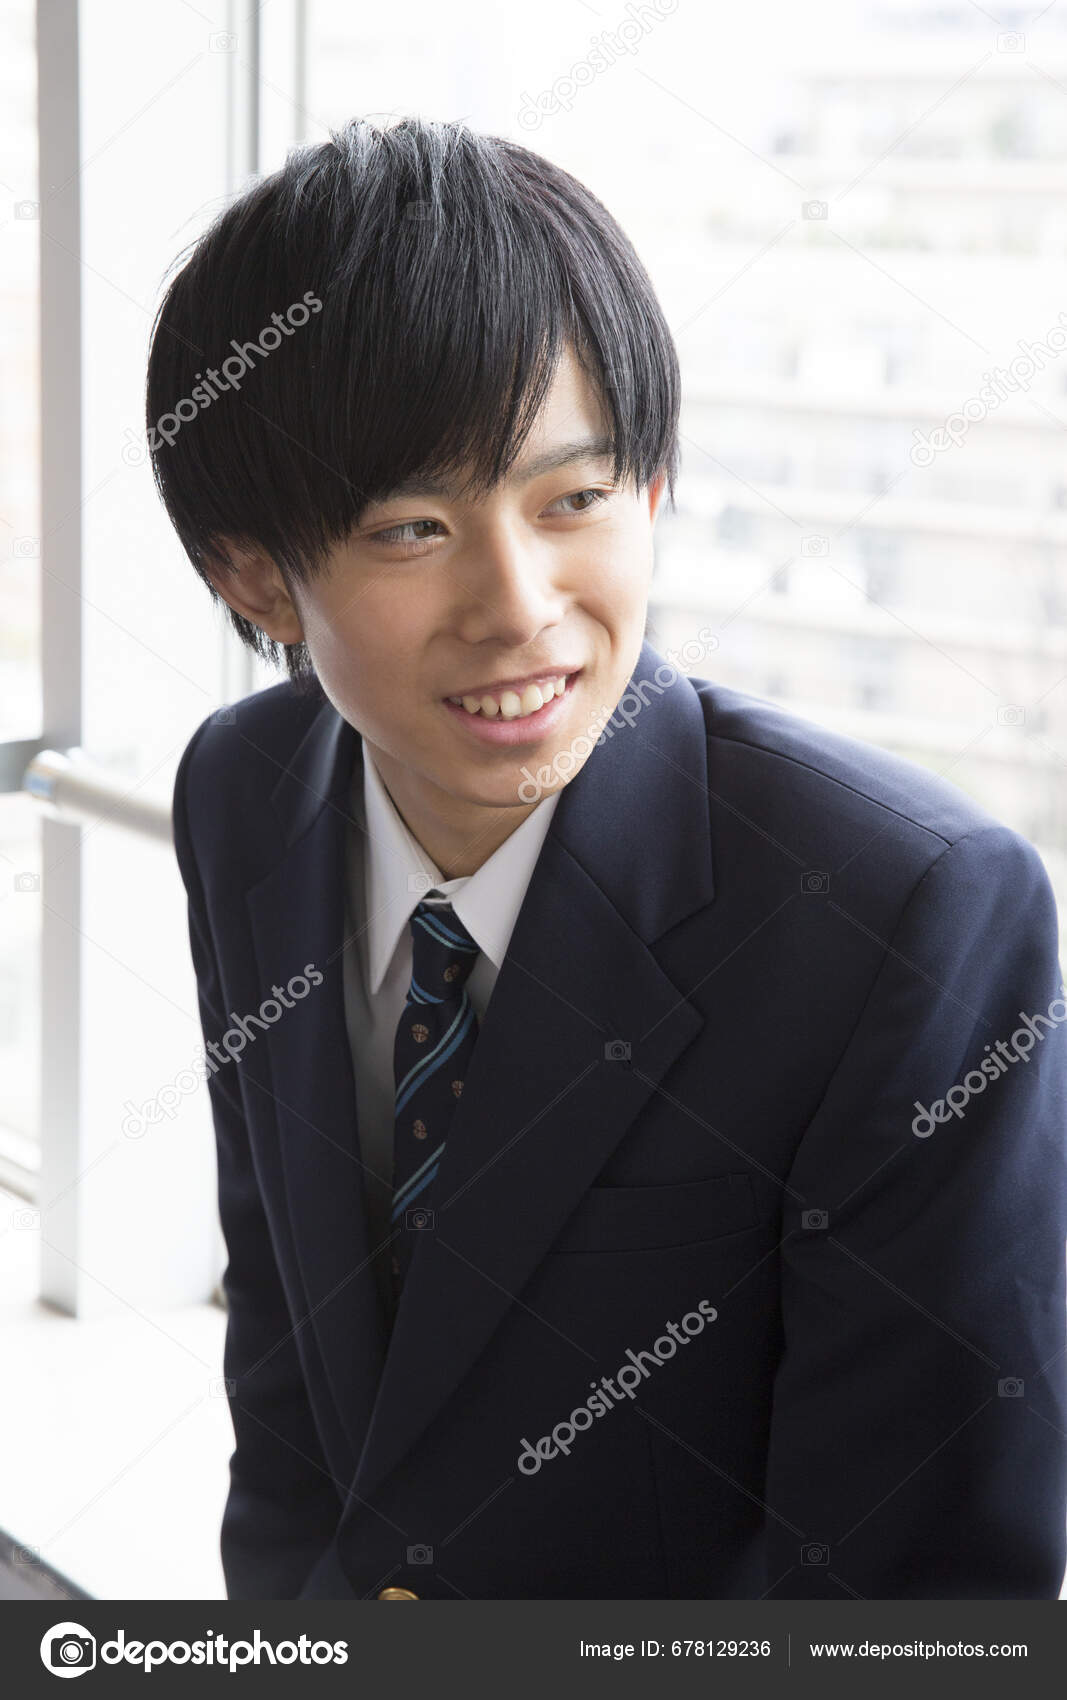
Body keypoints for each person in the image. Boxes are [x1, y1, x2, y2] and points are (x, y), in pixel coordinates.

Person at [151, 116, 1067, 1601]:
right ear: (253, 574)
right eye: (411, 528)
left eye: (572, 499)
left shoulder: (905, 914)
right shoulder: (244, 793)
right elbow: (292, 1360)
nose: (519, 606)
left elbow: (924, 1598)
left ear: (648, 491)